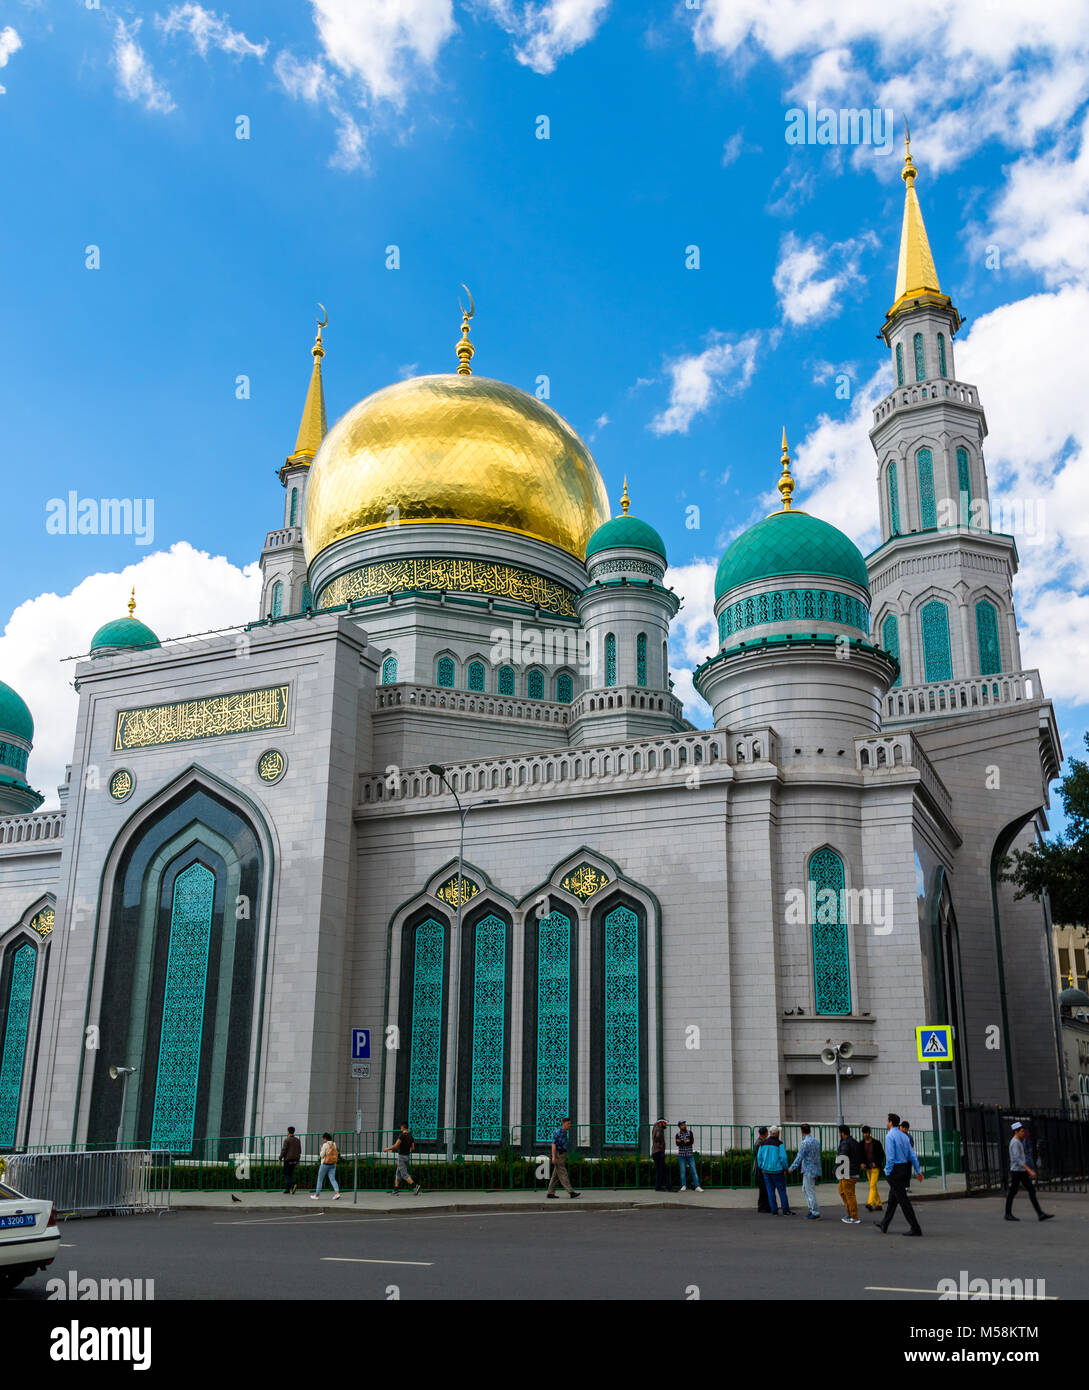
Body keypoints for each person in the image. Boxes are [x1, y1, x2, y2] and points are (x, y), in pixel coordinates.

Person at [874, 1113, 921, 1235]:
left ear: (890, 1122)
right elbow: (912, 1155)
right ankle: (884, 1223)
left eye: (887, 1121)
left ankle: (915, 1228)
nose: (886, 1123)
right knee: (893, 1198)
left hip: (895, 1170)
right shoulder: (904, 1136)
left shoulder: (890, 1136)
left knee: (903, 1200)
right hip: (904, 1169)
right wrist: (918, 1171)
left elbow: (890, 1157)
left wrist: (887, 1171)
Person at [1005, 1122, 1054, 1222]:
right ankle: (1008, 1213)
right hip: (1017, 1172)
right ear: (1016, 1132)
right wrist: (1029, 1170)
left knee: (1031, 1191)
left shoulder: (1019, 1141)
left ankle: (1040, 1214)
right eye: (1022, 1132)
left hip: (1021, 1171)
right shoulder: (1015, 1142)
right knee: (1013, 1192)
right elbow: (1017, 1159)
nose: (1023, 1133)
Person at [788, 1123, 822, 1219]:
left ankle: (814, 1212)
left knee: (809, 1191)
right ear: (810, 1130)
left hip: (808, 1170)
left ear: (802, 1131)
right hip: (814, 1168)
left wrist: (792, 1168)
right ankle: (812, 1209)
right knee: (806, 1190)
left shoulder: (805, 1142)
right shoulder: (816, 1141)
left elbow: (799, 1157)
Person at [756, 1126, 792, 1215]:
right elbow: (783, 1158)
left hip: (766, 1171)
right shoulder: (779, 1144)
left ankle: (774, 1211)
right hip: (777, 1171)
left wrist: (762, 1167)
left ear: (770, 1133)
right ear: (777, 1133)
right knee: (782, 1191)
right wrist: (785, 1168)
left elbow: (759, 1157)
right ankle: (785, 1210)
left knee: (770, 1191)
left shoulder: (763, 1143)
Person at [383, 1122, 422, 1195]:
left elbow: (395, 1146)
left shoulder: (402, 1136)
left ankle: (415, 1186)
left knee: (404, 1174)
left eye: (401, 1127)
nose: (400, 1128)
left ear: (403, 1127)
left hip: (401, 1157)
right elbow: (413, 1148)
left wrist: (386, 1149)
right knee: (398, 1173)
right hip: (407, 1157)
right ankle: (395, 1190)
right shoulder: (411, 1136)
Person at [546, 1118, 581, 1199]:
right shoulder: (558, 1132)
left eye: (570, 1124)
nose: (569, 1126)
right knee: (563, 1173)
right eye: (568, 1124)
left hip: (562, 1154)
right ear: (563, 1123)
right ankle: (571, 1192)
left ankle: (550, 1193)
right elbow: (553, 1145)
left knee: (555, 1176)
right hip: (559, 1155)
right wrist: (554, 1157)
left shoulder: (564, 1132)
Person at [836, 1125, 862, 1224]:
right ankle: (850, 1213)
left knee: (849, 1195)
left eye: (839, 1132)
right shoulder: (854, 1142)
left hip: (848, 1173)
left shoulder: (846, 1143)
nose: (839, 1134)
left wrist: (835, 1168)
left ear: (842, 1133)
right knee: (842, 1192)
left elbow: (842, 1156)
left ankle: (854, 1216)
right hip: (849, 1172)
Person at [860, 1125, 884, 1211]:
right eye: (864, 1133)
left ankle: (870, 1203)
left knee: (872, 1185)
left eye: (866, 1133)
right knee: (873, 1186)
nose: (865, 1135)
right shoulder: (861, 1144)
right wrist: (862, 1163)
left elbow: (882, 1155)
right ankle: (879, 1204)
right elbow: (860, 1156)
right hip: (867, 1168)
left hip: (875, 1168)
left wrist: (876, 1163)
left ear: (869, 1133)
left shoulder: (877, 1143)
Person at [311, 1132, 341, 1200]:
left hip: (325, 1164)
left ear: (325, 1138)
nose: (323, 1140)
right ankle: (337, 1193)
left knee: (320, 1180)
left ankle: (317, 1195)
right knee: (332, 1179)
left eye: (323, 1139)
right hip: (333, 1164)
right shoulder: (334, 1144)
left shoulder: (325, 1145)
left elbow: (321, 1155)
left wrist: (321, 1150)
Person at [675, 1121, 703, 1192]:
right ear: (679, 1127)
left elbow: (691, 1142)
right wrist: (685, 1142)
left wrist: (682, 1142)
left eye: (684, 1125)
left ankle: (697, 1186)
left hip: (690, 1155)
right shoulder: (677, 1134)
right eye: (682, 1125)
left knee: (694, 1171)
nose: (684, 1126)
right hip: (681, 1155)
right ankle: (684, 1185)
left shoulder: (690, 1133)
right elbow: (678, 1144)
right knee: (683, 1171)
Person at [753, 1126, 772, 1212]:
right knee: (763, 1189)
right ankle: (762, 1206)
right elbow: (761, 1157)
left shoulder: (759, 1142)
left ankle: (764, 1206)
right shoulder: (760, 1143)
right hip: (760, 1169)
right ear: (765, 1134)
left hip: (759, 1168)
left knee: (763, 1189)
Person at [279, 1126, 301, 1194]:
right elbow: (300, 1151)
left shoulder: (287, 1140)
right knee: (290, 1174)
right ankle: (287, 1189)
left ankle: (293, 1184)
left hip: (288, 1159)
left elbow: (284, 1150)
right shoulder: (298, 1140)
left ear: (288, 1132)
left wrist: (280, 1158)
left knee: (285, 1173)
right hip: (295, 1160)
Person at [651, 1118, 670, 1192]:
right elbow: (657, 1137)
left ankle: (658, 1187)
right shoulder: (659, 1129)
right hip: (658, 1152)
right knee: (663, 1171)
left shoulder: (655, 1127)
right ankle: (668, 1187)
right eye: (664, 1123)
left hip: (655, 1152)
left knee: (660, 1171)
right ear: (661, 1123)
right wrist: (661, 1145)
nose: (665, 1125)